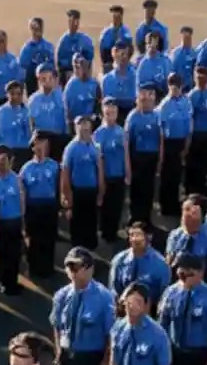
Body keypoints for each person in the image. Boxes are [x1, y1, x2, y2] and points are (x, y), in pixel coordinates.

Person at [0, 145, 27, 299]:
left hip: (15, 222)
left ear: (9, 160)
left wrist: (23, 224)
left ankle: (14, 281)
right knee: (3, 255)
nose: (0, 162)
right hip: (2, 224)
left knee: (15, 254)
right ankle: (4, 283)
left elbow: (22, 202)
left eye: (3, 159)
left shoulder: (16, 179)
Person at [20, 131, 61, 278]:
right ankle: (34, 267)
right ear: (32, 147)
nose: (40, 147)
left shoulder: (54, 166)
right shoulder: (26, 169)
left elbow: (59, 187)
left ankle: (48, 267)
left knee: (49, 238)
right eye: (37, 143)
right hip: (33, 208)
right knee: (34, 239)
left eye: (43, 143)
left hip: (49, 206)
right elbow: (22, 191)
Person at [61, 115, 104, 249]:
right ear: (76, 127)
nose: (84, 127)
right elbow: (66, 173)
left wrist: (101, 191)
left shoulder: (95, 146)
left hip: (91, 191)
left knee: (91, 222)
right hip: (77, 191)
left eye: (86, 124)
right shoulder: (70, 148)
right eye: (81, 124)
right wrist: (68, 196)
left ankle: (90, 249)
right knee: (77, 224)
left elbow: (100, 170)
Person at [125, 83, 164, 226]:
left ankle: (146, 218)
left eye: (149, 98)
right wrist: (128, 163)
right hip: (137, 157)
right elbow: (127, 142)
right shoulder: (132, 117)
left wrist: (160, 157)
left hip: (151, 157)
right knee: (136, 190)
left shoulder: (156, 116)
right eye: (143, 98)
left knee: (149, 189)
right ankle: (134, 218)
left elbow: (160, 138)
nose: (146, 101)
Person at [94, 98, 130, 242]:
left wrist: (128, 172)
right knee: (105, 204)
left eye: (113, 112)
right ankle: (105, 231)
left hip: (118, 174)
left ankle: (114, 230)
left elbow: (125, 153)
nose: (111, 115)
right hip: (106, 175)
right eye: (108, 113)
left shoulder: (121, 132)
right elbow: (98, 158)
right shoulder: (98, 134)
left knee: (117, 204)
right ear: (103, 113)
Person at [157, 74, 193, 215]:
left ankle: (173, 203)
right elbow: (161, 130)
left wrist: (187, 144)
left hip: (181, 142)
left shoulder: (186, 102)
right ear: (168, 86)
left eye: (177, 85)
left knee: (177, 175)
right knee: (167, 176)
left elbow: (189, 124)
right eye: (172, 85)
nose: (175, 88)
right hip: (168, 144)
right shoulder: (164, 105)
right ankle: (165, 206)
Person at [109, 221, 170, 303]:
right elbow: (113, 287)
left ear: (149, 237)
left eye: (138, 235)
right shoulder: (119, 260)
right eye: (132, 235)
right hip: (123, 305)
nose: (134, 239)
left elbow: (164, 293)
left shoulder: (161, 264)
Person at [30, 64, 71, 166]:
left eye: (49, 78)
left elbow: (67, 117)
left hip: (59, 137)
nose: (47, 82)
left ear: (54, 79)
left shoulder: (62, 96)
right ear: (38, 80)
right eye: (43, 79)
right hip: (43, 140)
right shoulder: (33, 100)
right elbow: (31, 122)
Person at [165, 193, 207, 272]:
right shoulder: (175, 235)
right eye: (184, 211)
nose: (185, 216)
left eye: (191, 213)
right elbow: (169, 261)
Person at [56, 9, 94, 87]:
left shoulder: (85, 40)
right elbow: (60, 62)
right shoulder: (63, 41)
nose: (73, 24)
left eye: (75, 21)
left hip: (83, 71)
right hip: (68, 72)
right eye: (70, 21)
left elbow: (89, 58)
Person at [102, 44, 139, 122]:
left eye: (125, 54)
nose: (123, 57)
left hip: (132, 111)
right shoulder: (107, 79)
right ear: (114, 55)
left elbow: (135, 98)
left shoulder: (135, 76)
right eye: (120, 54)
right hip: (115, 114)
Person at [18, 18, 56, 94]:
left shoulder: (48, 47)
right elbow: (22, 69)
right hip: (31, 82)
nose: (36, 32)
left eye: (38, 29)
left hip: (46, 82)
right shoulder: (26, 48)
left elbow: (53, 66)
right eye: (33, 29)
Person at [64, 55, 100, 124]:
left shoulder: (94, 83)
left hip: (92, 121)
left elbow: (98, 103)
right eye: (78, 67)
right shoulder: (71, 87)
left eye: (84, 65)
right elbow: (69, 112)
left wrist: (94, 116)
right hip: (77, 123)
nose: (82, 69)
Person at [98, 5, 132, 74]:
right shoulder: (106, 32)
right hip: (109, 62)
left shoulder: (126, 31)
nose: (115, 19)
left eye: (117, 16)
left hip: (123, 62)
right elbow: (102, 50)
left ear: (121, 17)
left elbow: (130, 48)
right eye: (114, 16)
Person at [169, 26, 198, 91]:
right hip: (177, 86)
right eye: (184, 37)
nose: (186, 39)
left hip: (189, 87)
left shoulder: (194, 53)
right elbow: (171, 69)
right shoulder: (175, 52)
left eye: (188, 37)